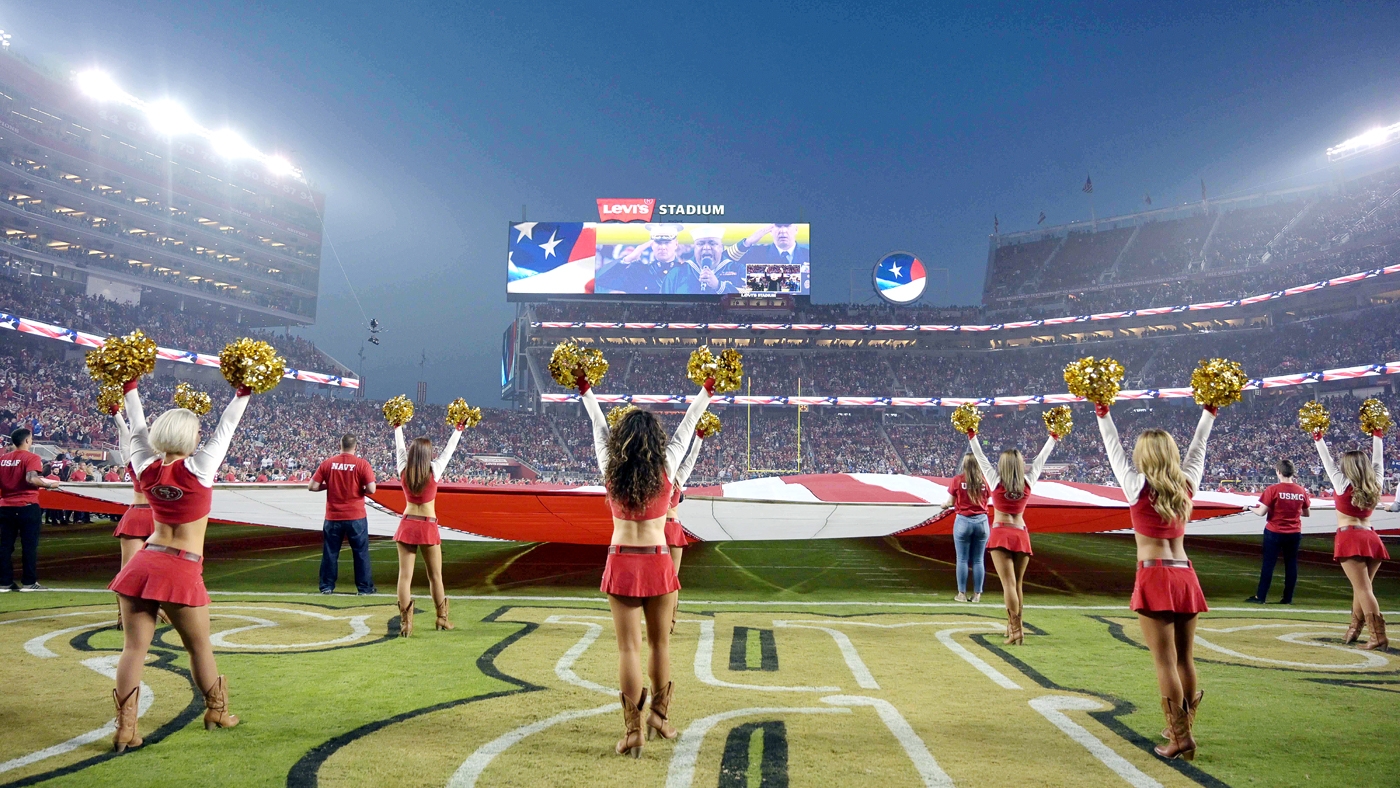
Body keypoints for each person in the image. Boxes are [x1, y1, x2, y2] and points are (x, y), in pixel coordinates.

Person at [108, 381, 253, 752]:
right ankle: (217, 711)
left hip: (143, 563)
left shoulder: (145, 465)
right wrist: (242, 393)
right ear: (190, 437)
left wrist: (130, 387)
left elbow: (137, 426)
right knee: (199, 647)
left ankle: (124, 730)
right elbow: (227, 427)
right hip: (181, 568)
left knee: (133, 650)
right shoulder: (200, 468)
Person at [581, 367, 711, 757]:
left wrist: (585, 389)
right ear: (655, 440)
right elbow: (688, 423)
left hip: (621, 562)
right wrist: (707, 389)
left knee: (628, 650)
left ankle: (633, 731)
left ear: (620, 441)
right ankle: (659, 716)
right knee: (660, 645)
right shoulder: (666, 465)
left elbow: (598, 426)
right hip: (658, 561)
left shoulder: (611, 467)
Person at [1097, 402, 1216, 761]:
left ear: (1143, 456)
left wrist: (1103, 413)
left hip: (1154, 574)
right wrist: (1209, 412)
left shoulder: (1136, 485)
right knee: (1185, 660)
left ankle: (1180, 738)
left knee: (1164, 662)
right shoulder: (1187, 483)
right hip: (1185, 574)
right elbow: (1199, 444)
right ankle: (1183, 729)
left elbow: (1112, 446)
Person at [967, 427, 1057, 644]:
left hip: (1001, 533)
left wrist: (972, 435)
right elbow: (1042, 458)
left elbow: (980, 456)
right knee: (1017, 585)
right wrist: (1053, 437)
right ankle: (1014, 627)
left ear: (1003, 465)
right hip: (1021, 534)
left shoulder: (995, 482)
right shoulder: (1028, 482)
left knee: (1008, 585)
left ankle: (1016, 630)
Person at [1313, 428, 1389, 651]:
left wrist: (1318, 438)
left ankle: (1378, 636)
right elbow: (1378, 460)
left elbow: (1326, 459)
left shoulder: (1341, 483)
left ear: (1347, 467)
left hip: (1350, 537)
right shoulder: (1376, 482)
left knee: (1363, 590)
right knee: (1362, 588)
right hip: (1371, 537)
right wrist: (1377, 435)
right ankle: (1354, 630)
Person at [391, 420, 465, 635]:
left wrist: (397, 427)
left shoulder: (403, 469)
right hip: (428, 526)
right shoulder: (435, 470)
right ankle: (442, 619)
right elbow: (449, 450)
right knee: (435, 576)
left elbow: (400, 448)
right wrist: (458, 430)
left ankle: (406, 623)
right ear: (428, 454)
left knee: (404, 577)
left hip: (406, 525)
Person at [309, 435, 377, 596]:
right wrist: (359, 489)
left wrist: (329, 486)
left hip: (333, 516)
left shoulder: (328, 463)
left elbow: (312, 486)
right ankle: (364, 588)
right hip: (356, 515)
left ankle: (326, 586)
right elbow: (372, 489)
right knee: (360, 553)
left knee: (330, 552)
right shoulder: (362, 464)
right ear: (356, 447)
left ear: (340, 445)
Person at [111, 406, 158, 628]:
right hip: (153, 517)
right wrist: (116, 413)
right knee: (133, 571)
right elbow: (123, 431)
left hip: (143, 515)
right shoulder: (163, 458)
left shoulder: (138, 458)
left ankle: (130, 614)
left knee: (130, 571)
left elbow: (123, 432)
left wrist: (116, 413)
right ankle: (125, 613)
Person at [0, 428, 62, 592]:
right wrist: (50, 484)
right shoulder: (32, 457)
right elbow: (31, 479)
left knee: (5, 546)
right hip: (27, 505)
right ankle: (29, 582)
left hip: (5, 506)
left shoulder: (3, 459)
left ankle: (4, 582)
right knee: (29, 545)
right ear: (27, 440)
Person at [1245, 459, 1311, 605]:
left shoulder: (1273, 489)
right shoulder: (1301, 490)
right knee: (1291, 565)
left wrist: (1249, 508)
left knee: (1268, 565)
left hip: (1274, 531)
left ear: (1278, 472)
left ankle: (1261, 596)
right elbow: (1306, 513)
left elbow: (1261, 512)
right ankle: (1287, 598)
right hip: (1294, 532)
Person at [937, 452, 991, 603]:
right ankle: (977, 595)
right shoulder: (984, 481)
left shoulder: (958, 480)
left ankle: (961, 594)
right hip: (982, 522)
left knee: (962, 559)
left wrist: (943, 505)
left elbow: (950, 502)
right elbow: (987, 500)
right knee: (978, 560)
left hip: (963, 521)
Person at [598, 224, 682, 294]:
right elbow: (603, 281)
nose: (663, 247)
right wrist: (628, 259)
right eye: (658, 242)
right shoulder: (638, 271)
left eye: (667, 242)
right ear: (651, 244)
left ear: (676, 244)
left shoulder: (686, 271)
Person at [663, 225, 746, 294]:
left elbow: (753, 297)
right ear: (695, 248)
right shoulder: (676, 273)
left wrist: (719, 286)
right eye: (700, 244)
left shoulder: (740, 269)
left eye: (712, 243)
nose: (706, 247)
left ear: (721, 247)